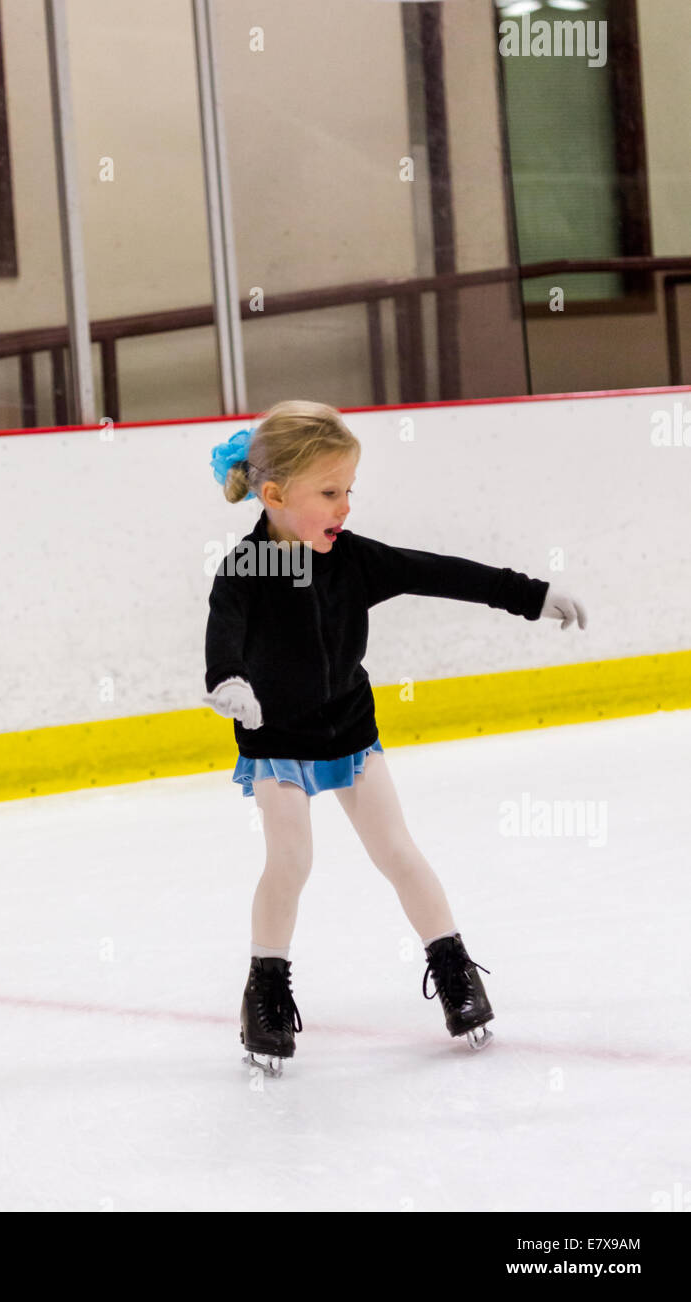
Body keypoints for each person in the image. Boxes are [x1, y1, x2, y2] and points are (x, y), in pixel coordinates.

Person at [202, 399, 587, 1073]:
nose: (345, 506)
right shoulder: (244, 571)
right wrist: (228, 681)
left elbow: (441, 572)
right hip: (276, 739)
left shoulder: (354, 561)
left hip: (350, 730)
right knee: (289, 862)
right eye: (329, 492)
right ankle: (265, 992)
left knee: (397, 852)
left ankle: (455, 971)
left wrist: (530, 594)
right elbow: (224, 631)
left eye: (348, 489)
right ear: (274, 495)